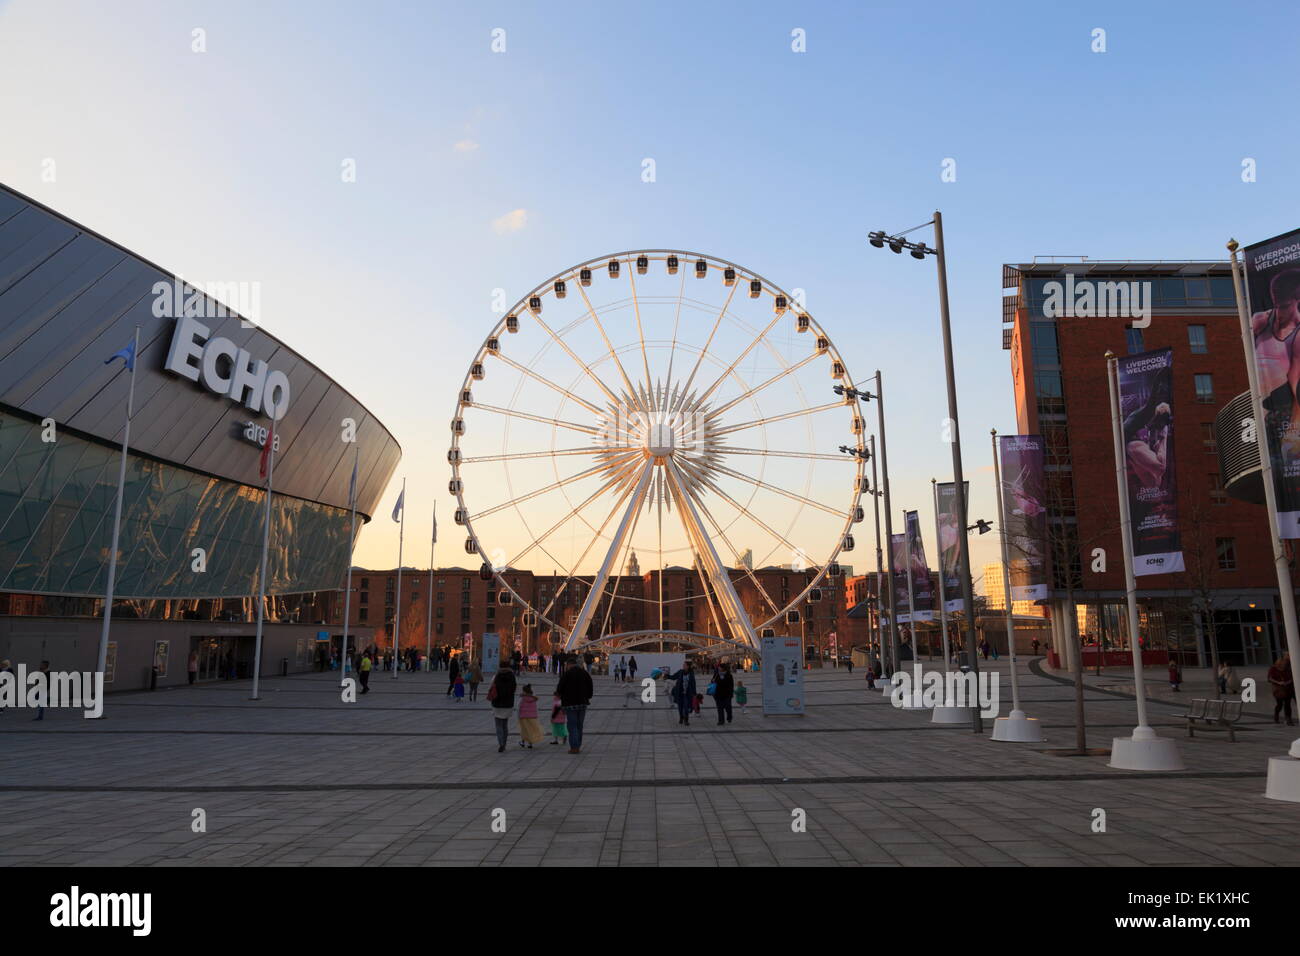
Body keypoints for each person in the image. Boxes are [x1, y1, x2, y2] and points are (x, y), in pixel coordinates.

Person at [556, 658, 594, 754]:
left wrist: (560, 695)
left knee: (572, 725)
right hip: (582, 703)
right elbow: (590, 685)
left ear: (569, 665)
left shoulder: (567, 674)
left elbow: (560, 688)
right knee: (579, 725)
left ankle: (574, 747)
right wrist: (588, 697)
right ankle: (578, 744)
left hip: (570, 704)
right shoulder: (584, 673)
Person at [488, 667, 517, 752]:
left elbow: (490, 687)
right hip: (508, 704)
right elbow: (514, 689)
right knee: (505, 725)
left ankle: (501, 743)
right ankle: (504, 743)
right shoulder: (512, 676)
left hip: (497, 703)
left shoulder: (496, 676)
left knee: (498, 725)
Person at [1268, 653, 1295, 726]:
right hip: (1278, 689)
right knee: (1279, 704)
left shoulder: (1287, 669)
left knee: (1287, 704)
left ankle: (1288, 719)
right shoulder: (1273, 669)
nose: (1283, 666)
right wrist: (1279, 682)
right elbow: (1270, 678)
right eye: (1282, 665)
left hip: (1287, 688)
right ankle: (1276, 715)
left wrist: (1288, 682)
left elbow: (1292, 677)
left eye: (1285, 665)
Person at [517, 684, 544, 749]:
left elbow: (519, 707)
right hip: (532, 716)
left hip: (523, 717)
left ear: (524, 691)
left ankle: (523, 742)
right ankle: (530, 743)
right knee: (530, 729)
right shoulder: (533, 698)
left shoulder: (522, 698)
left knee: (524, 730)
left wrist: (518, 715)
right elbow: (536, 708)